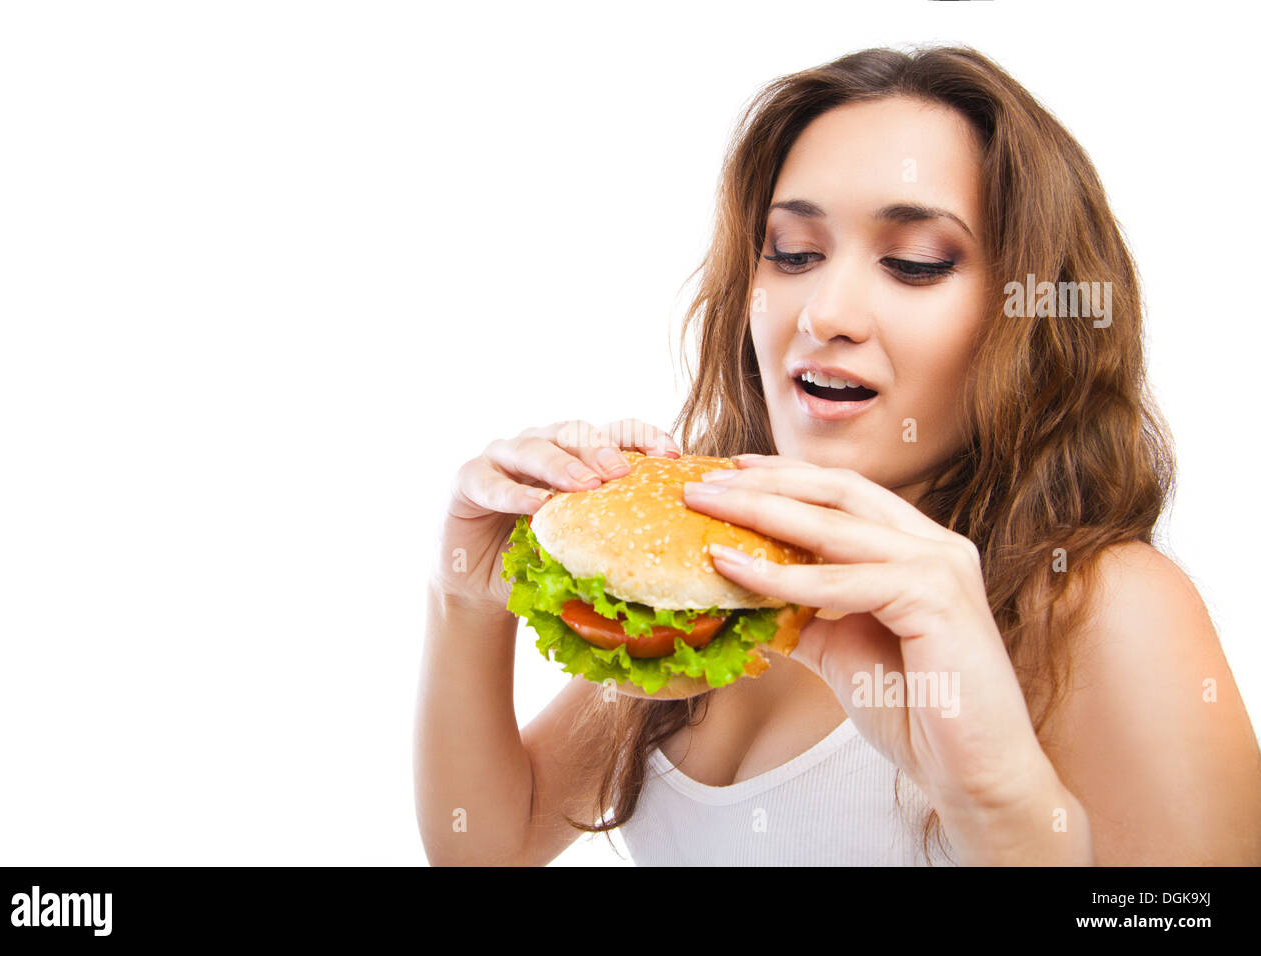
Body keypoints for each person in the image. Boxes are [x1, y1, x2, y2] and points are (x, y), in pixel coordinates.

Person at [414, 45, 1261, 866]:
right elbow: (491, 843)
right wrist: (465, 599)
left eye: (914, 263)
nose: (824, 312)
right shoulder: (712, 561)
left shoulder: (1103, 604)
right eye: (793, 253)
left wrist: (998, 808)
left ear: (1029, 318)